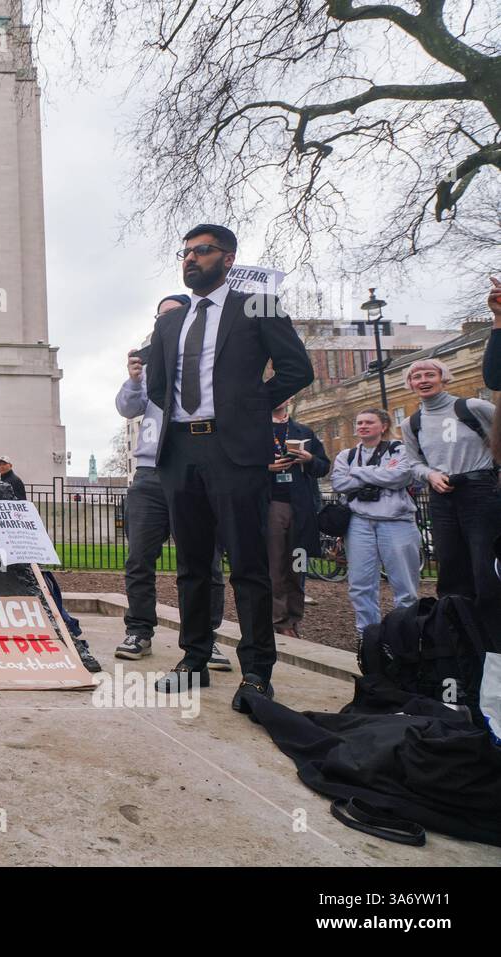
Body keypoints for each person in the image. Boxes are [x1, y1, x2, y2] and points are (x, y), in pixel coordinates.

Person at [145, 224, 314, 712]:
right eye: (186, 252)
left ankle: (257, 672)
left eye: (202, 251)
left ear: (228, 258)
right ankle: (193, 660)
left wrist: (248, 406)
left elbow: (296, 368)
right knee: (193, 565)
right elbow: (158, 385)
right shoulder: (169, 322)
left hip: (235, 451)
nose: (191, 259)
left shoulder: (255, 306)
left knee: (248, 565)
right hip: (180, 453)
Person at [114, 295, 230, 670]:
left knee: (203, 562)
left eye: (173, 313)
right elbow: (128, 408)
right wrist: (134, 379)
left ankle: (204, 638)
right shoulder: (149, 367)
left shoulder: (208, 360)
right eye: (160, 315)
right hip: (150, 473)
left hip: (196, 471)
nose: (165, 321)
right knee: (139, 559)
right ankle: (139, 630)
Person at [398, 357, 501, 643]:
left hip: (480, 491)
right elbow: (412, 462)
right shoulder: (411, 423)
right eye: (416, 377)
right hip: (442, 496)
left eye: (429, 374)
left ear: (444, 378)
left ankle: (493, 637)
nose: (423, 380)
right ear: (410, 384)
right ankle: (459, 639)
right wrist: (429, 475)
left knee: (485, 568)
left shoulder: (472, 407)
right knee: (451, 569)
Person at [329, 409, 421, 638]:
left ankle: (406, 637)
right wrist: (380, 474)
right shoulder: (346, 455)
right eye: (359, 422)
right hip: (359, 523)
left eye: (369, 422)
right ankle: (368, 637)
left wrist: (358, 474)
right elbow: (339, 483)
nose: (363, 426)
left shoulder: (399, 449)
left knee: (405, 586)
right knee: (360, 585)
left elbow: (402, 476)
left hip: (397, 521)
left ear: (384, 426)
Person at [266, 402, 330, 638]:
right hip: (272, 504)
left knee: (297, 564)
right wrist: (267, 467)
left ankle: (294, 618)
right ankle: (279, 620)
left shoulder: (304, 432)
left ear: (290, 400)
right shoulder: (256, 429)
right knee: (275, 565)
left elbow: (323, 467)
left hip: (301, 507)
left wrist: (309, 459)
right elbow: (240, 465)